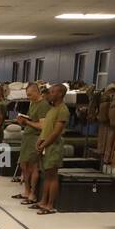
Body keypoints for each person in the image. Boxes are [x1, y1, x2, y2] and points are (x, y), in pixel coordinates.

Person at [32, 84, 69, 214]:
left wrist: (44, 144)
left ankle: (50, 205)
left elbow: (56, 132)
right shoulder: (52, 109)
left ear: (60, 94)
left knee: (53, 177)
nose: (50, 93)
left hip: (54, 146)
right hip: (46, 145)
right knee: (47, 176)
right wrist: (40, 140)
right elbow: (46, 128)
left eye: (53, 92)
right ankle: (43, 201)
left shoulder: (62, 110)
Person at [13, 82, 47, 205]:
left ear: (37, 92)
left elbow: (42, 125)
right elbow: (32, 120)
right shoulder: (33, 104)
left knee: (33, 167)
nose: (28, 97)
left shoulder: (43, 105)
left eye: (30, 95)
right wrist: (23, 121)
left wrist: (27, 123)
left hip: (35, 139)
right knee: (24, 166)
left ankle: (33, 194)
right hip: (27, 138)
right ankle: (26, 191)